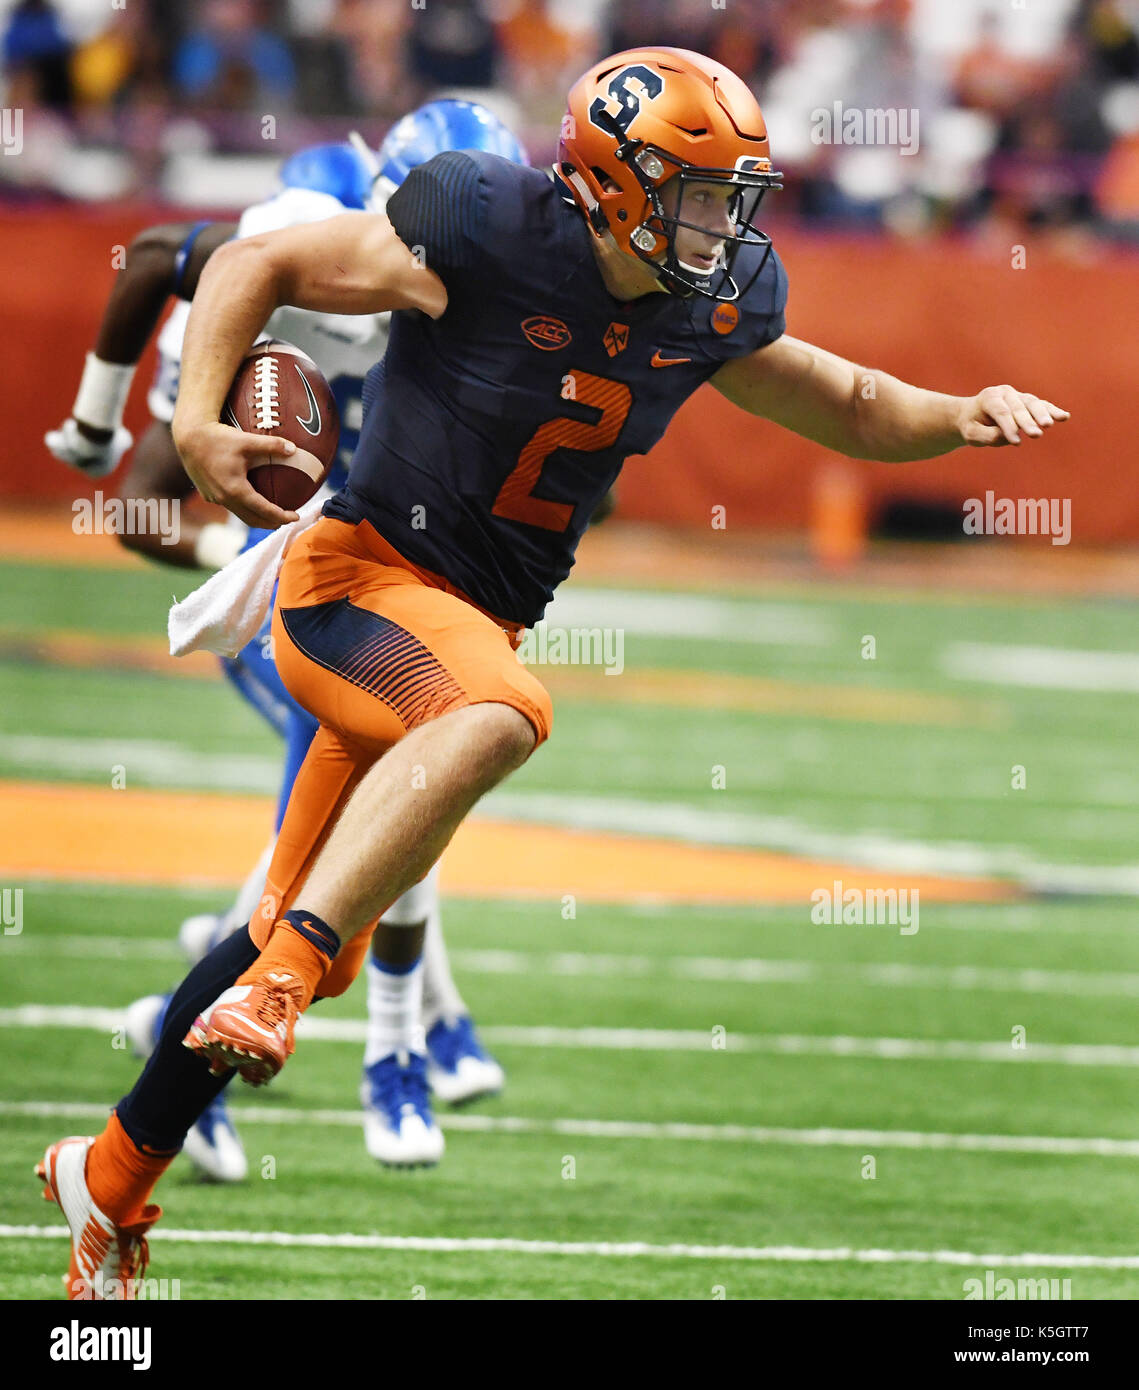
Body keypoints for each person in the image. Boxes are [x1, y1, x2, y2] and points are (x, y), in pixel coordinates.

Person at [37, 45, 1069, 1299]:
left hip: (460, 624)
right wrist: (193, 422)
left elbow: (844, 399)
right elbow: (251, 263)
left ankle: (108, 1176)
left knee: (287, 908)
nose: (723, 220)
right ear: (612, 179)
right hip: (354, 587)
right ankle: (287, 986)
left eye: (731, 193)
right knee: (500, 714)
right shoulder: (483, 219)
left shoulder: (708, 297)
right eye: (697, 190)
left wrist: (953, 412)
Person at [44, 103, 528, 1186]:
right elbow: (164, 267)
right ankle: (400, 1048)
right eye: (454, 225)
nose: (478, 253)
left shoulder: (492, 303)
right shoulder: (307, 255)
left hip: (383, 575)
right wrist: (111, 430)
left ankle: (200, 1042)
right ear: (385, 207)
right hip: (294, 592)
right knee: (391, 792)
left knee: (342, 836)